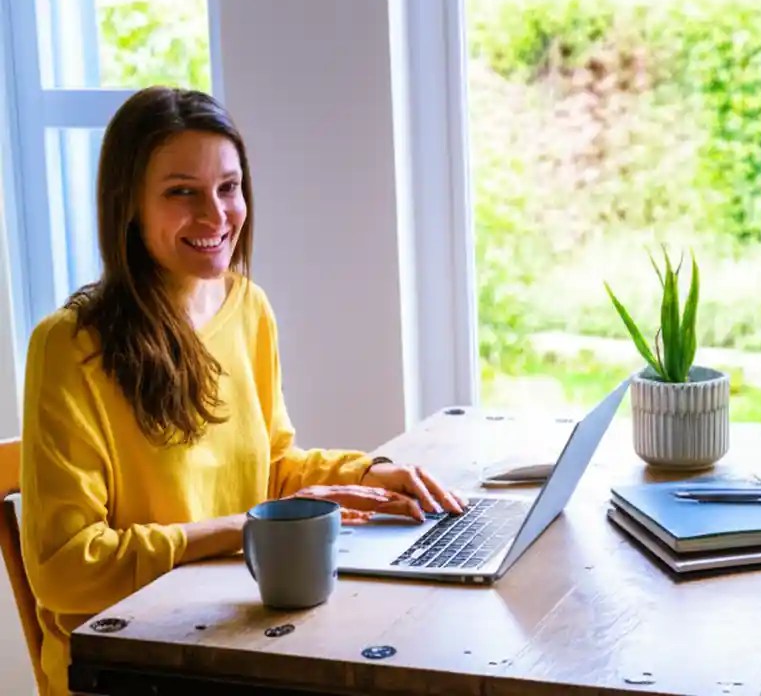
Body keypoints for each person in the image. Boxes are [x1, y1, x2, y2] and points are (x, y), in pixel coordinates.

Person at [18, 86, 465, 696]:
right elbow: (65, 572)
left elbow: (271, 468)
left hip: (234, 633)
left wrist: (368, 473)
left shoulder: (247, 307)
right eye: (182, 193)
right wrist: (246, 530)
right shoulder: (69, 347)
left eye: (229, 188)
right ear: (128, 204)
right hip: (127, 667)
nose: (216, 215)